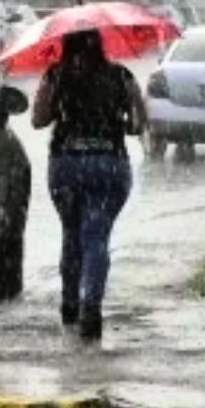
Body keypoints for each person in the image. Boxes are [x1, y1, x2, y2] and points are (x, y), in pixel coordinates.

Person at [31, 28, 146, 339]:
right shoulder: (121, 76)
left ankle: (69, 304)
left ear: (66, 45)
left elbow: (37, 120)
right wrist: (116, 120)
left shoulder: (55, 76)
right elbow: (138, 124)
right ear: (101, 45)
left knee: (71, 233)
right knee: (96, 234)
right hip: (109, 163)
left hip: (66, 165)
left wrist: (62, 107)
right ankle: (90, 304)